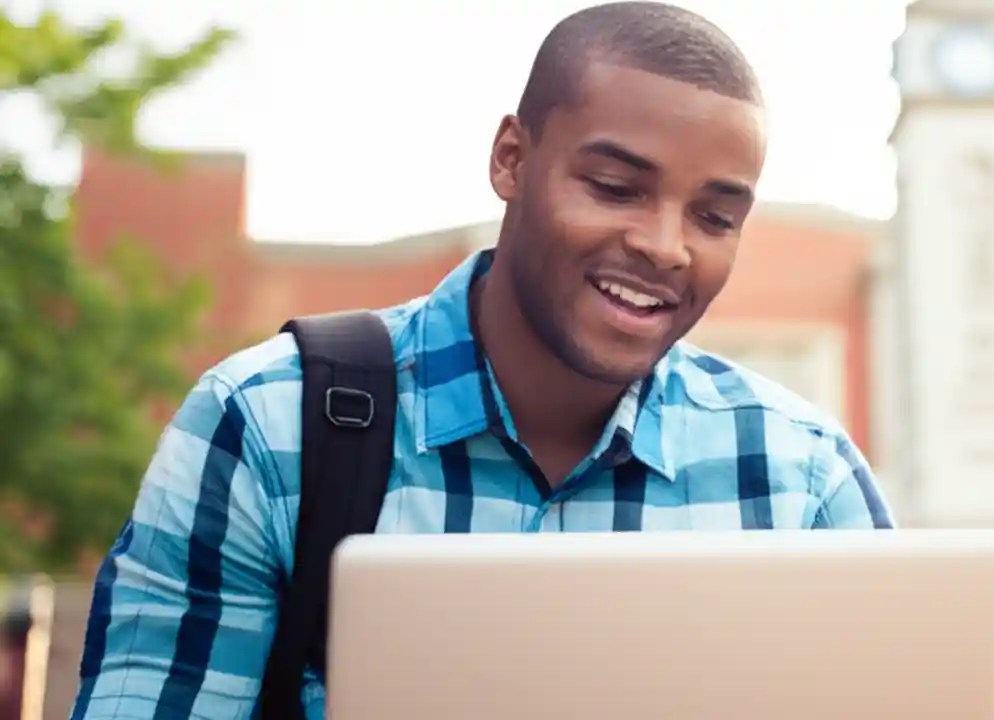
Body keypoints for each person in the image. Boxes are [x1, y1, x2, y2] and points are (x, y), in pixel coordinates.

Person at [70, 2, 894, 718]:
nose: (665, 247)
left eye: (715, 218)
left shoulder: (803, 483)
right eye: (614, 187)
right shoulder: (268, 427)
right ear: (511, 159)